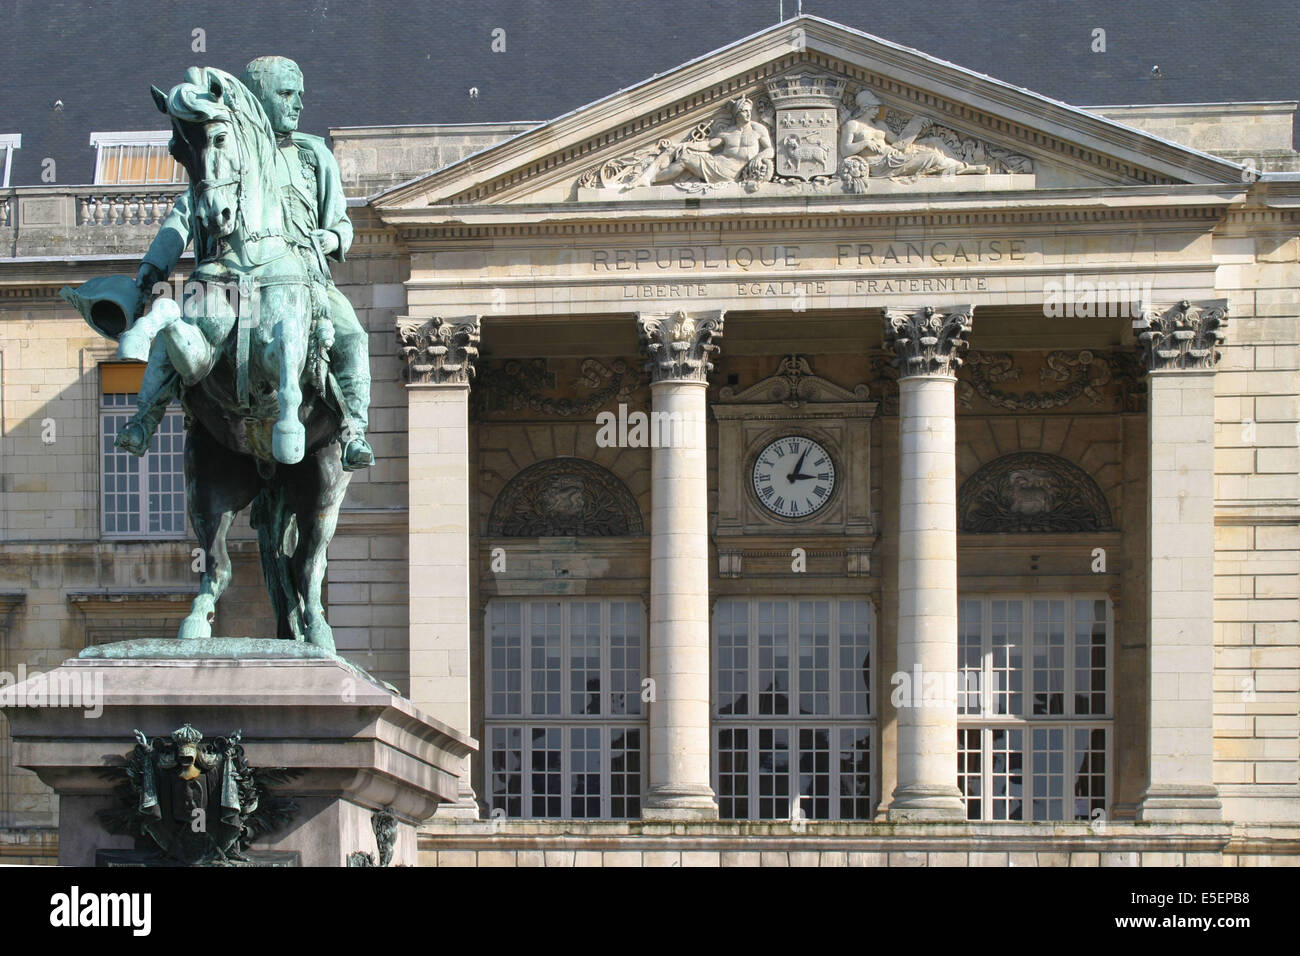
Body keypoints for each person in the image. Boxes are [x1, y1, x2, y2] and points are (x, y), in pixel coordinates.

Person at [120, 55, 373, 470]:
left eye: (300, 96)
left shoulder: (313, 155)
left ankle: (353, 431)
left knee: (351, 336)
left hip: (304, 276)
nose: (298, 105)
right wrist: (154, 266)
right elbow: (186, 211)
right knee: (179, 315)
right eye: (287, 94)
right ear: (257, 98)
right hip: (226, 276)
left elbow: (341, 222)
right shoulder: (225, 151)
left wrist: (332, 236)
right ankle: (144, 418)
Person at [839, 89, 989, 181]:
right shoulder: (853, 125)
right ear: (865, 107)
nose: (878, 110)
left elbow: (899, 143)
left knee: (934, 142)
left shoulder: (880, 125)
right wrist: (864, 143)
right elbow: (845, 150)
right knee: (933, 157)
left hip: (895, 156)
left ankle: (962, 166)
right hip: (880, 165)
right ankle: (968, 169)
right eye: (874, 107)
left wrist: (917, 127)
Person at [639, 95, 774, 186]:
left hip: (735, 171)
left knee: (685, 159)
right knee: (685, 158)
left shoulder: (758, 129)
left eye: (749, 111)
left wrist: (759, 157)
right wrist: (686, 144)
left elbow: (769, 149)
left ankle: (651, 179)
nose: (749, 114)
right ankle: (650, 179)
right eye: (744, 111)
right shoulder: (727, 132)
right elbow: (708, 145)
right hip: (717, 164)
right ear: (737, 114)